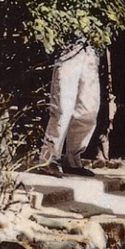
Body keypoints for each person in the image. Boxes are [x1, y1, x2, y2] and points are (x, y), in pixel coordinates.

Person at [37, 37, 100, 177]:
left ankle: (72, 160)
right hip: (68, 48)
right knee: (62, 109)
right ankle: (48, 160)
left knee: (88, 110)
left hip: (90, 49)